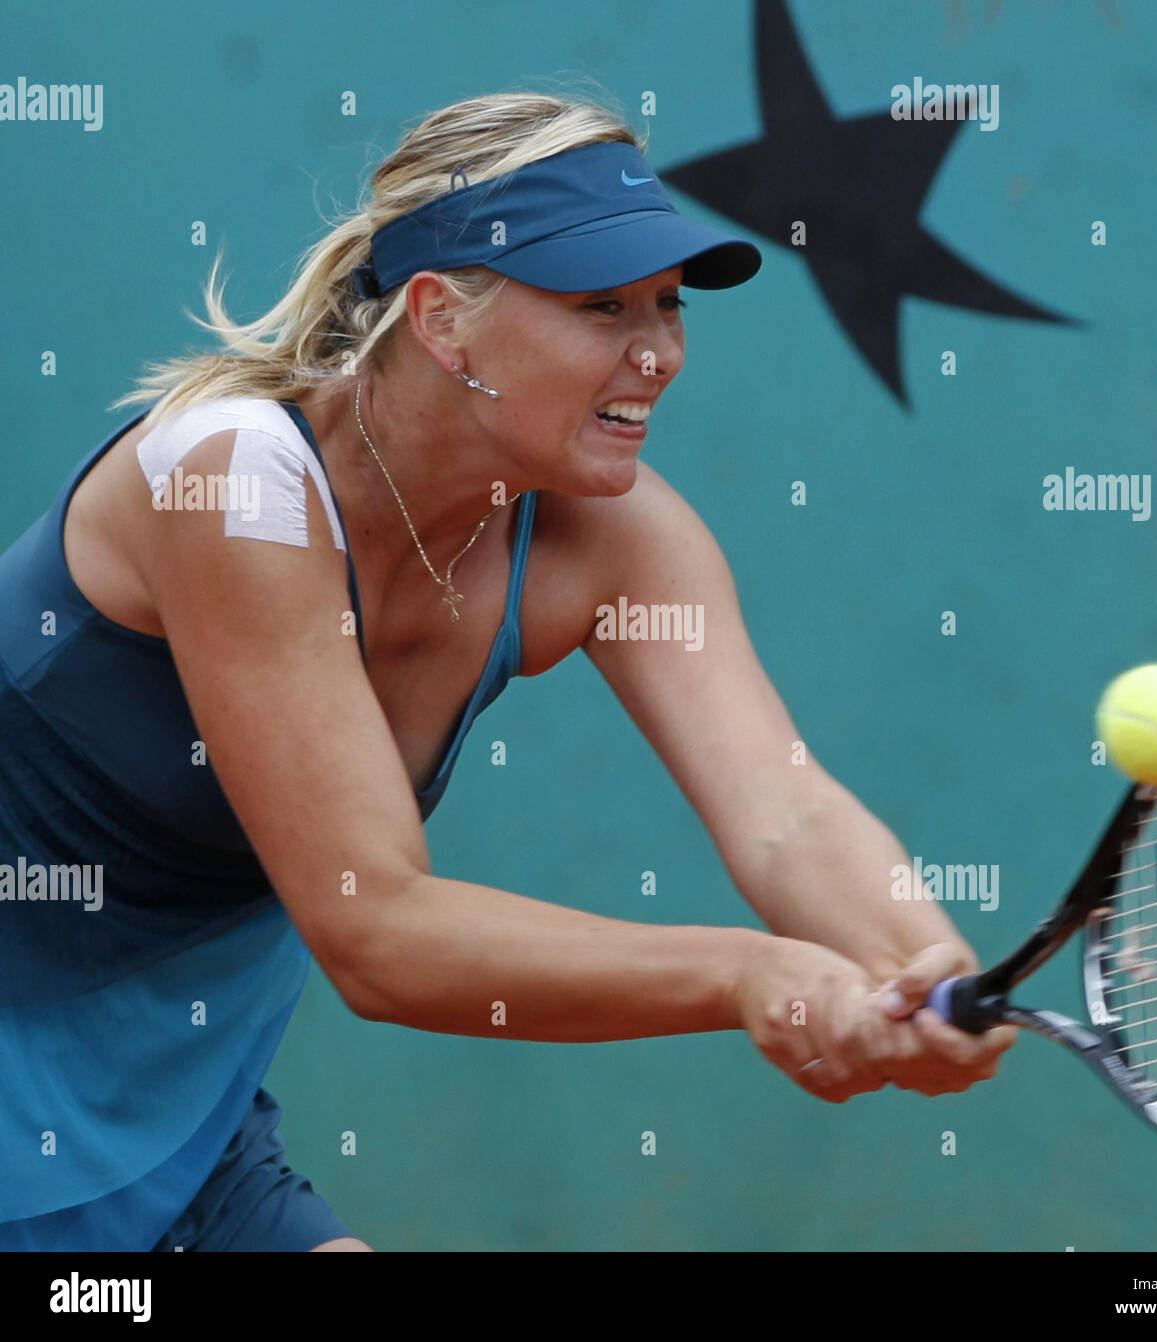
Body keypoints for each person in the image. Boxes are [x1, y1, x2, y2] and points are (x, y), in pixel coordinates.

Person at [0, 92, 1015, 1253]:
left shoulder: (616, 538)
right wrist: (746, 975)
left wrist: (910, 969)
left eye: (668, 307)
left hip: (174, 1125)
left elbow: (784, 810)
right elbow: (375, 931)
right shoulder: (232, 483)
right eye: (601, 307)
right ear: (441, 319)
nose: (658, 352)